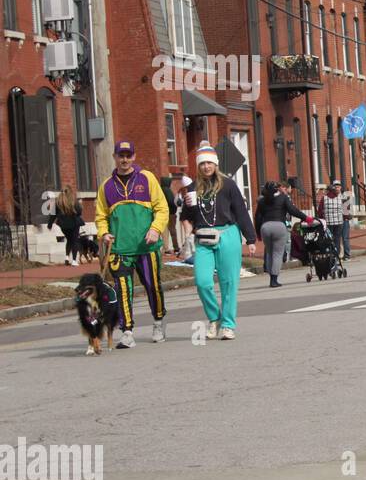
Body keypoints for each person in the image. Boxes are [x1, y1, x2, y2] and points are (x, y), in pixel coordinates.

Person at [95, 140, 169, 348]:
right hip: (120, 249)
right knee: (123, 290)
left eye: (128, 155)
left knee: (152, 286)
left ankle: (158, 321)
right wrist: (104, 233)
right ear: (115, 157)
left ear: (134, 157)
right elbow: (101, 216)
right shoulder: (106, 186)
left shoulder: (147, 178)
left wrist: (155, 229)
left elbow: (162, 208)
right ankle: (127, 331)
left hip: (147, 247)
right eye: (121, 155)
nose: (125, 159)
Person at [182, 141, 256, 340]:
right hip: (203, 238)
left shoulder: (228, 185)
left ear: (215, 164)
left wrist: (250, 238)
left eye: (209, 163)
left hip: (227, 234)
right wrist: (188, 226)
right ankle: (214, 318)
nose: (206, 167)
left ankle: (228, 325)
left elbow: (240, 211)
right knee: (202, 282)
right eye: (202, 163)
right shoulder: (192, 187)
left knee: (228, 283)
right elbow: (186, 217)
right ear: (198, 166)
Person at [254, 180, 307, 287]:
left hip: (265, 227)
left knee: (269, 253)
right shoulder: (283, 198)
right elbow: (293, 210)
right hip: (279, 226)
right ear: (277, 188)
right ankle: (274, 280)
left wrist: (258, 233)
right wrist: (305, 218)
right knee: (277, 254)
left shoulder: (262, 201)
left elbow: (258, 218)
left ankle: (270, 276)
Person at [49, 184, 84, 265]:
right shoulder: (73, 201)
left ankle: (67, 258)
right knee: (74, 241)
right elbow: (79, 212)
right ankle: (74, 260)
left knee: (69, 240)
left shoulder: (58, 202)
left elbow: (53, 214)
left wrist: (50, 225)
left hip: (64, 226)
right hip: (74, 224)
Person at [333, 179, 353, 260]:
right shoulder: (331, 197)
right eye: (335, 186)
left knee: (345, 238)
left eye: (338, 186)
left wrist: (347, 217)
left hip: (344, 220)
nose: (337, 188)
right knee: (336, 239)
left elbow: (347, 209)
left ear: (340, 187)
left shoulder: (344, 196)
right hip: (336, 220)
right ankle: (337, 255)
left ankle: (347, 255)